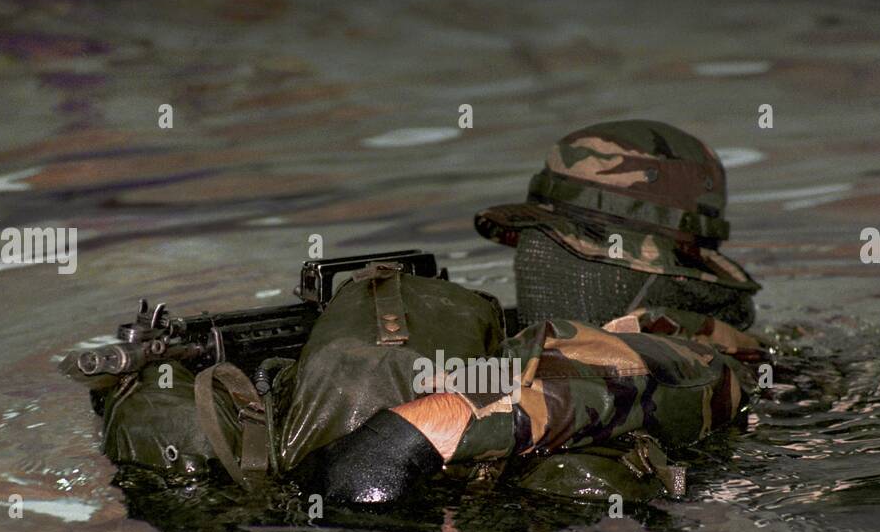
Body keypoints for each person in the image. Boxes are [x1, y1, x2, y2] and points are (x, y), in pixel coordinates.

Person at [313, 119, 767, 504]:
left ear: (663, 265)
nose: (535, 260)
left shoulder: (702, 350)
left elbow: (634, 367)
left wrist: (427, 424)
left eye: (567, 248)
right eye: (532, 240)